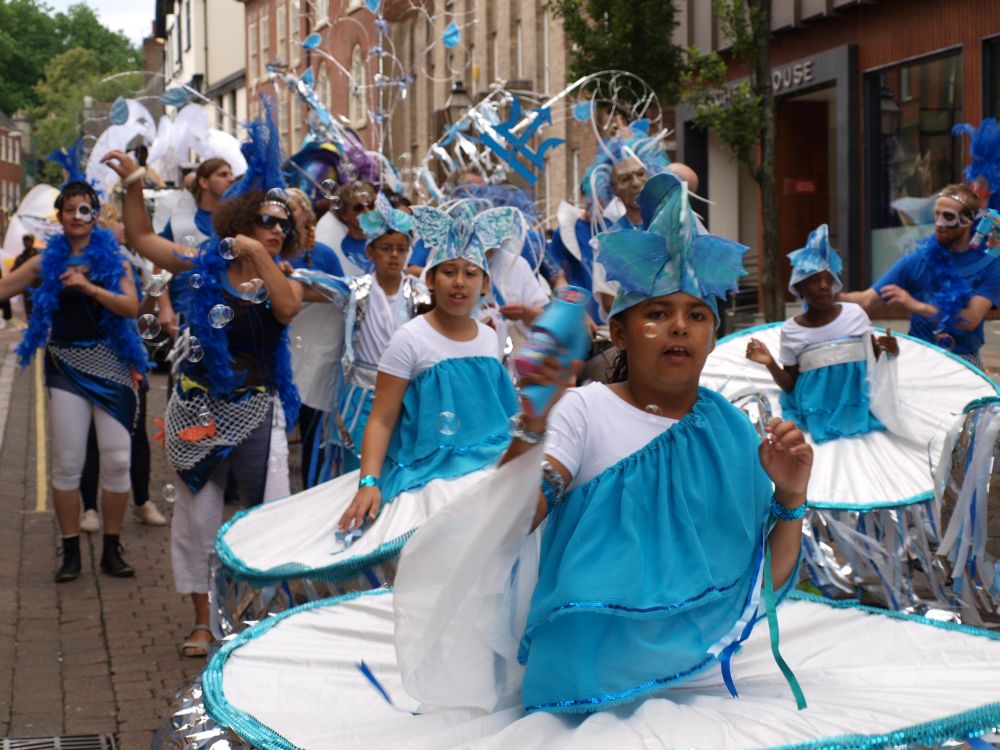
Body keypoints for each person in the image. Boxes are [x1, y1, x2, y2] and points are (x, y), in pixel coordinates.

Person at [211, 203, 519, 595]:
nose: (459, 282)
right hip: (430, 469)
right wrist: (369, 481)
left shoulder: (489, 338)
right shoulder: (411, 339)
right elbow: (383, 418)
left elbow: (500, 413)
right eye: (448, 271)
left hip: (484, 472)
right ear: (430, 279)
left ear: (485, 284)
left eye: (470, 273)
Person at [102, 104, 305, 658]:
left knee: (267, 513)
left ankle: (257, 616)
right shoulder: (202, 266)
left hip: (259, 408)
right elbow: (141, 237)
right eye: (265, 220)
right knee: (196, 516)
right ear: (240, 221)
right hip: (197, 406)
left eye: (284, 224)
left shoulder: (282, 277)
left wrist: (264, 256)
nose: (275, 229)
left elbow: (286, 310)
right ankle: (203, 619)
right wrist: (136, 183)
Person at [0, 180, 147, 582]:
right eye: (70, 210)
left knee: (118, 460)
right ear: (60, 216)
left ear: (95, 215)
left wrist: (89, 287)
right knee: (67, 462)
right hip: (66, 365)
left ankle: (112, 550)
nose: (78, 217)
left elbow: (131, 306)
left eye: (86, 210)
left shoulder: (114, 259)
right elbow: (5, 287)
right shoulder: (45, 261)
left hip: (114, 365)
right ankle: (70, 553)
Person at [294, 191, 429, 478]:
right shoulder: (356, 290)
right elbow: (316, 284)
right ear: (370, 251)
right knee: (355, 472)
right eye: (386, 248)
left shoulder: (419, 293)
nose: (394, 255)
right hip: (359, 398)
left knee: (399, 469)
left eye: (401, 249)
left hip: (405, 394)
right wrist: (283, 273)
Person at [745, 224, 898, 443]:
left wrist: (890, 350)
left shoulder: (855, 314)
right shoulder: (792, 330)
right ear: (800, 288)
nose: (824, 286)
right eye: (815, 281)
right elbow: (790, 384)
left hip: (858, 408)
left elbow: (873, 362)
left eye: (829, 279)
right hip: (813, 413)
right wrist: (770, 362)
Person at [839, 183, 1000, 369]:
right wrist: (831, 296)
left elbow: (969, 320)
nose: (939, 223)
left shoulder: (988, 264)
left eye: (948, 216)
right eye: (936, 214)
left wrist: (914, 305)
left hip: (965, 363)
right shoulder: (918, 260)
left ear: (967, 221)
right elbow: (867, 299)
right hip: (919, 358)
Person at [79, 204, 164, 531]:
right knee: (90, 436)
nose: (125, 229)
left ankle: (141, 501)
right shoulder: (89, 262)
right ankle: (89, 508)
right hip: (91, 355)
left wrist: (155, 295)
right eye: (119, 223)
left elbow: (139, 313)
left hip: (128, 354)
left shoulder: (134, 261)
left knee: (136, 432)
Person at [286, 186, 346, 487]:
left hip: (314, 352)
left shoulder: (322, 253)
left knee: (312, 422)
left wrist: (298, 288)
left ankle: (311, 487)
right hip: (281, 346)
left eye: (291, 207)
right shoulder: (270, 252)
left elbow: (339, 295)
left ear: (306, 214)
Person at [156, 159, 236, 339]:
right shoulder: (179, 222)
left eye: (231, 174)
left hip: (229, 314)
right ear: (204, 182)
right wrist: (164, 307)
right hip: (188, 315)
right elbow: (158, 268)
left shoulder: (237, 221)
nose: (230, 179)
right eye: (223, 174)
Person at [314, 181, 376, 275]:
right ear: (344, 215)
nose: (367, 211)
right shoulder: (336, 247)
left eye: (370, 206)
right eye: (358, 208)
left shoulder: (382, 240)